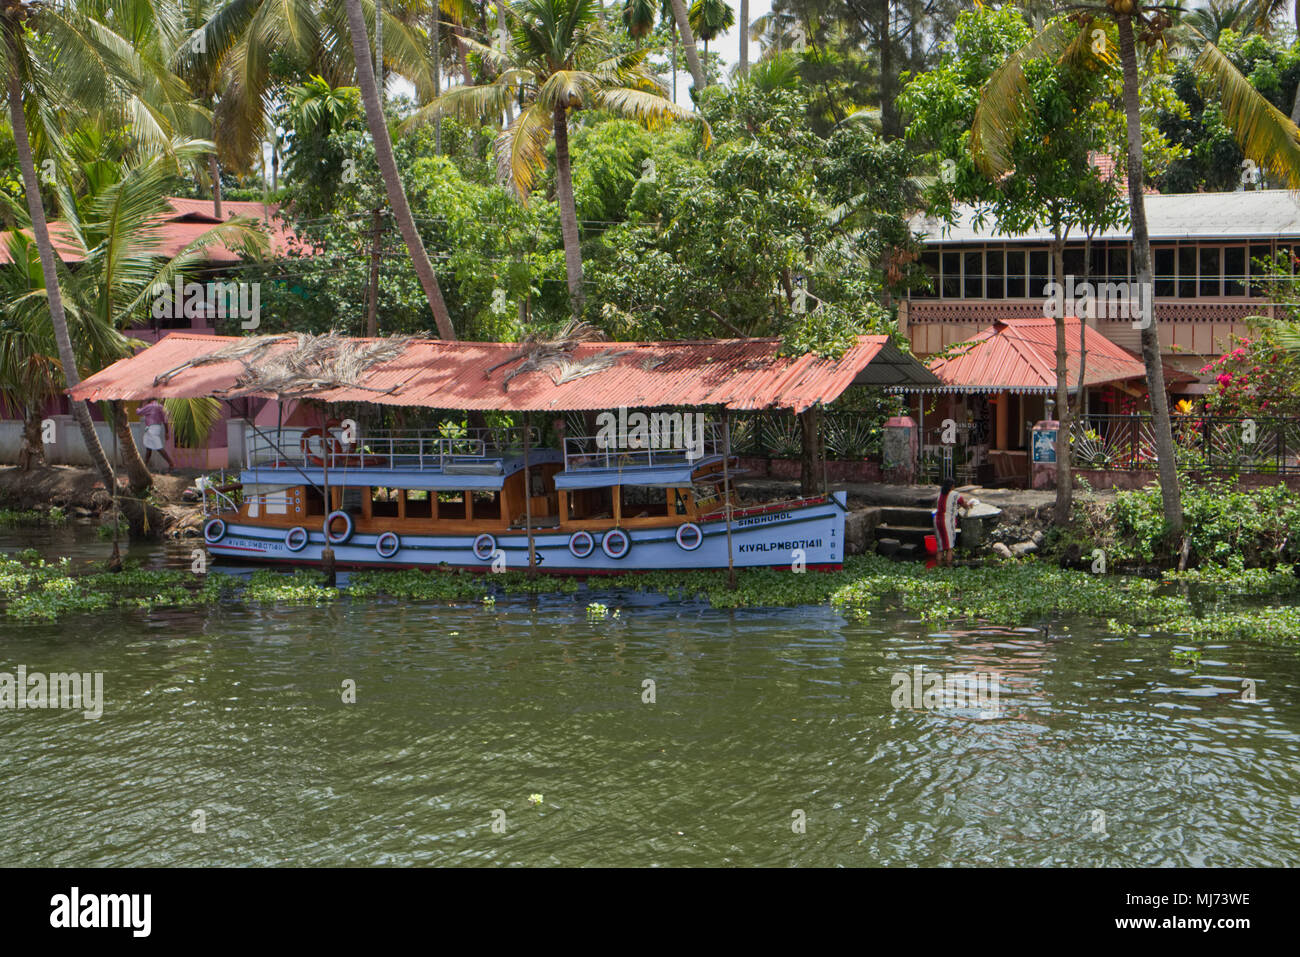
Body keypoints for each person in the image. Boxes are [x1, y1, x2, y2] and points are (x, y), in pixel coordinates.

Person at [933, 477, 969, 566]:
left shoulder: (940, 494)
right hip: (947, 522)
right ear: (952, 486)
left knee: (940, 547)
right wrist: (969, 505)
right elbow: (964, 505)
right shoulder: (955, 494)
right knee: (949, 547)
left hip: (937, 521)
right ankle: (949, 566)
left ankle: (938, 566)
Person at [137, 397, 174, 473]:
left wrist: (141, 402)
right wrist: (166, 432)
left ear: (149, 400)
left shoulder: (149, 406)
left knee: (158, 447)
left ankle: (171, 463)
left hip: (151, 428)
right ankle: (144, 466)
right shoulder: (160, 407)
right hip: (157, 428)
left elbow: (138, 412)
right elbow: (165, 420)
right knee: (148, 448)